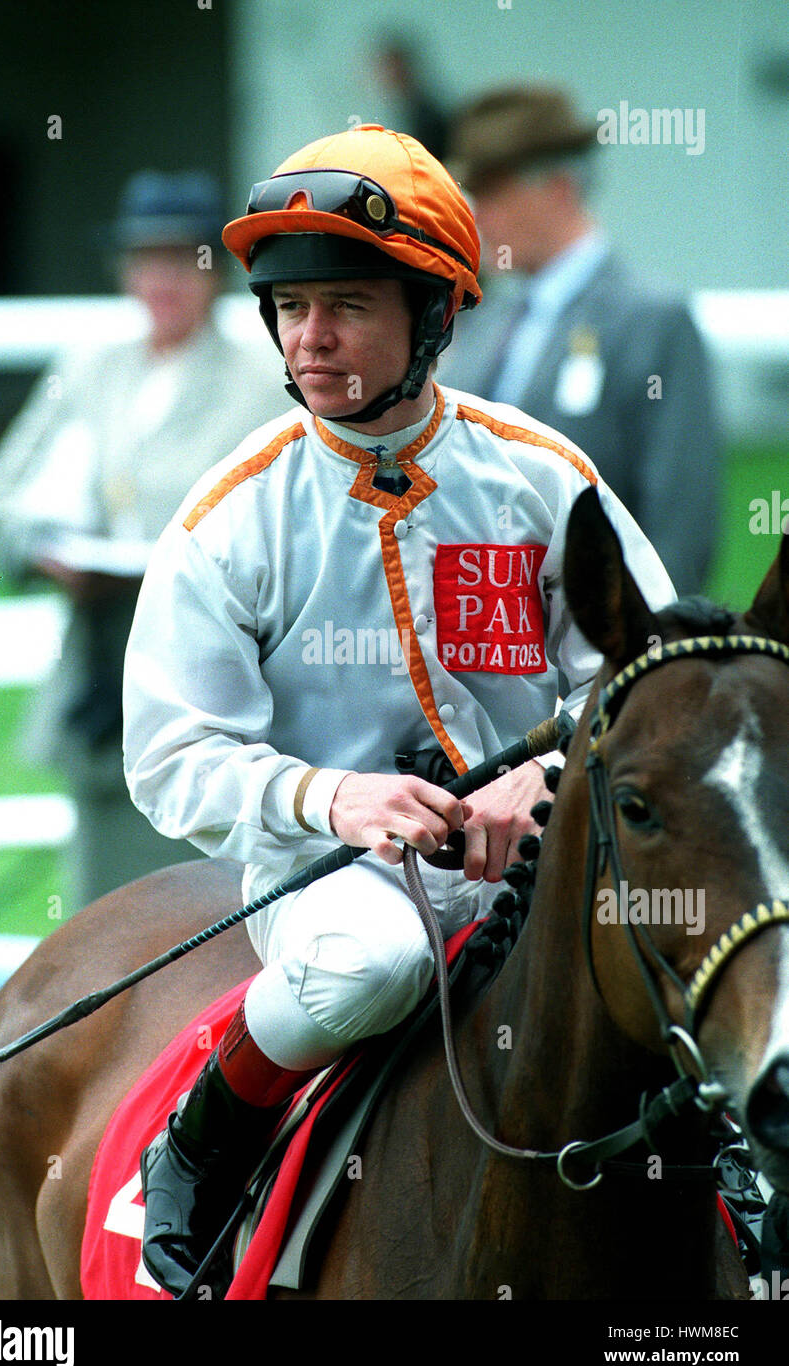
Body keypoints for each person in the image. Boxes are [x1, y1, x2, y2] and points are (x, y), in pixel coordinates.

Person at [122, 124, 677, 1296]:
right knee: (368, 968)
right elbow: (171, 753)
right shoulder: (228, 517)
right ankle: (196, 1146)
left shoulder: (543, 477)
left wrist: (548, 780)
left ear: (436, 313)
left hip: (552, 870)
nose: (309, 339)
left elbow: (647, 680)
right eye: (288, 309)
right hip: (340, 891)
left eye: (346, 306)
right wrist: (332, 796)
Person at [0, 171, 282, 910]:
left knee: (192, 920)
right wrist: (45, 550)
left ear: (215, 270)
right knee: (100, 919)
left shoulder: (260, 379)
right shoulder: (92, 368)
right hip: (100, 683)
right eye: (146, 260)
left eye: (182, 260)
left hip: (210, 691)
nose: (163, 280)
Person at [441, 86, 722, 598]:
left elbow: (680, 526)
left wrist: (643, 658)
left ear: (559, 188)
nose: (477, 215)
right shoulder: (482, 317)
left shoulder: (652, 319)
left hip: (596, 649)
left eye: (493, 193)